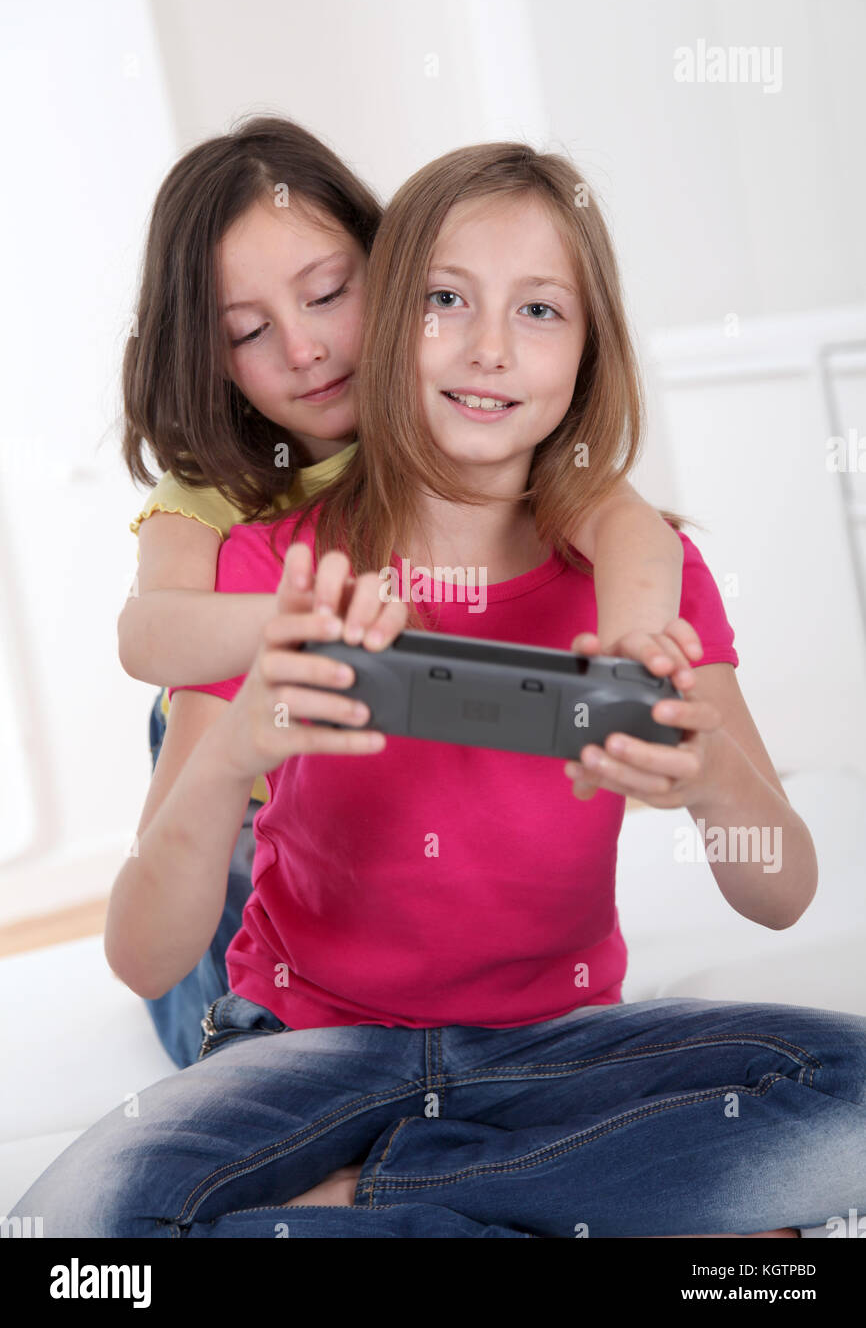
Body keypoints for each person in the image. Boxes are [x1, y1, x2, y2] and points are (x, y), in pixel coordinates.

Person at [15, 141, 859, 1239]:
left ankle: (381, 1201)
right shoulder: (276, 570)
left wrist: (711, 781)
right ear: (387, 328)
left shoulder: (645, 573)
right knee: (84, 1230)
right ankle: (581, 1206)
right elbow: (142, 951)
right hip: (311, 1049)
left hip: (546, 1053)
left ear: (590, 346)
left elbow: (779, 891)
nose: (492, 348)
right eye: (444, 299)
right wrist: (231, 755)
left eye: (540, 311)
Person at [118, 119, 696, 1069]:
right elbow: (149, 637)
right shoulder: (213, 494)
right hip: (243, 693)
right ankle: (216, 1040)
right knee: (220, 941)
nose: (304, 349)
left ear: (392, 270)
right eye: (251, 332)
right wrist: (303, 625)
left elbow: (623, 519)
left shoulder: (448, 409)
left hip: (384, 710)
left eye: (330, 295)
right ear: (209, 357)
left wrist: (632, 655)